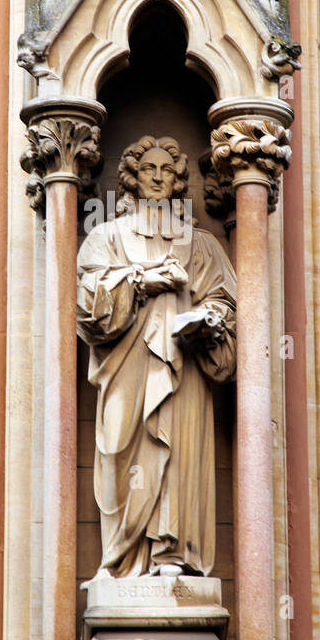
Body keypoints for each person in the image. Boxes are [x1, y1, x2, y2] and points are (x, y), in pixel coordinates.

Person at [76, 134, 236, 578]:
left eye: (168, 170)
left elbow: (228, 300)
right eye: (149, 169)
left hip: (183, 371)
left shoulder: (200, 245)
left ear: (180, 181)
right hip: (126, 370)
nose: (159, 176)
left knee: (177, 454)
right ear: (131, 177)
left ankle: (171, 552)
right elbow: (86, 299)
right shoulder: (106, 238)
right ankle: (122, 559)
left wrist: (208, 320)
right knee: (121, 455)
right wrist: (142, 281)